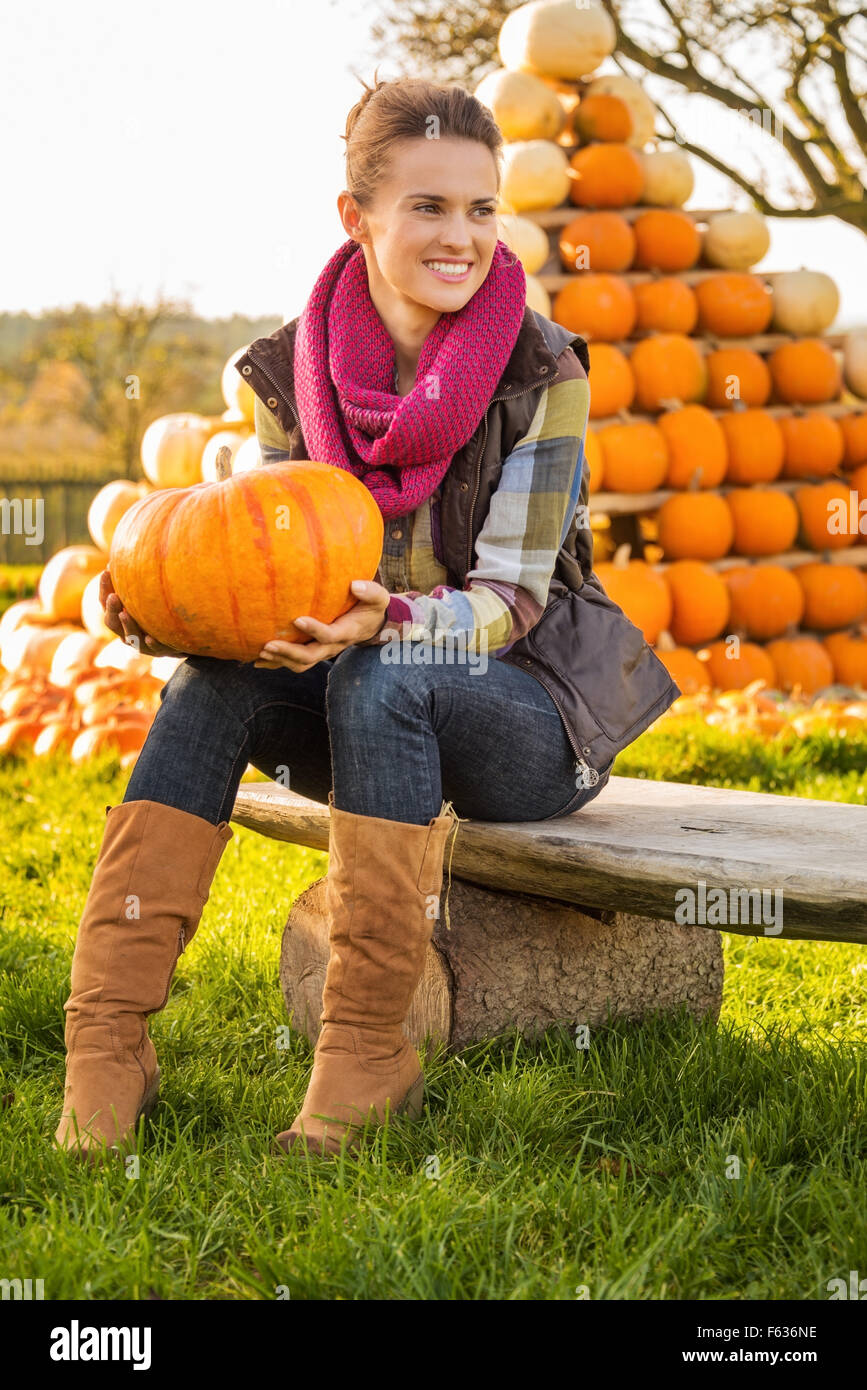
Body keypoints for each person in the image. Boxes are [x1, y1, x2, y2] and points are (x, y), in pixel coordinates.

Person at [54, 73, 680, 1164]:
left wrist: (387, 620)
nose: (463, 235)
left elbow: (511, 602)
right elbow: (257, 571)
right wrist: (155, 612)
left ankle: (366, 1055)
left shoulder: (543, 369)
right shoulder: (290, 372)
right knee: (215, 684)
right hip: (363, 701)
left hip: (527, 721)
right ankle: (106, 1045)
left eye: (481, 208)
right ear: (358, 217)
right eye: (429, 207)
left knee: (383, 671)